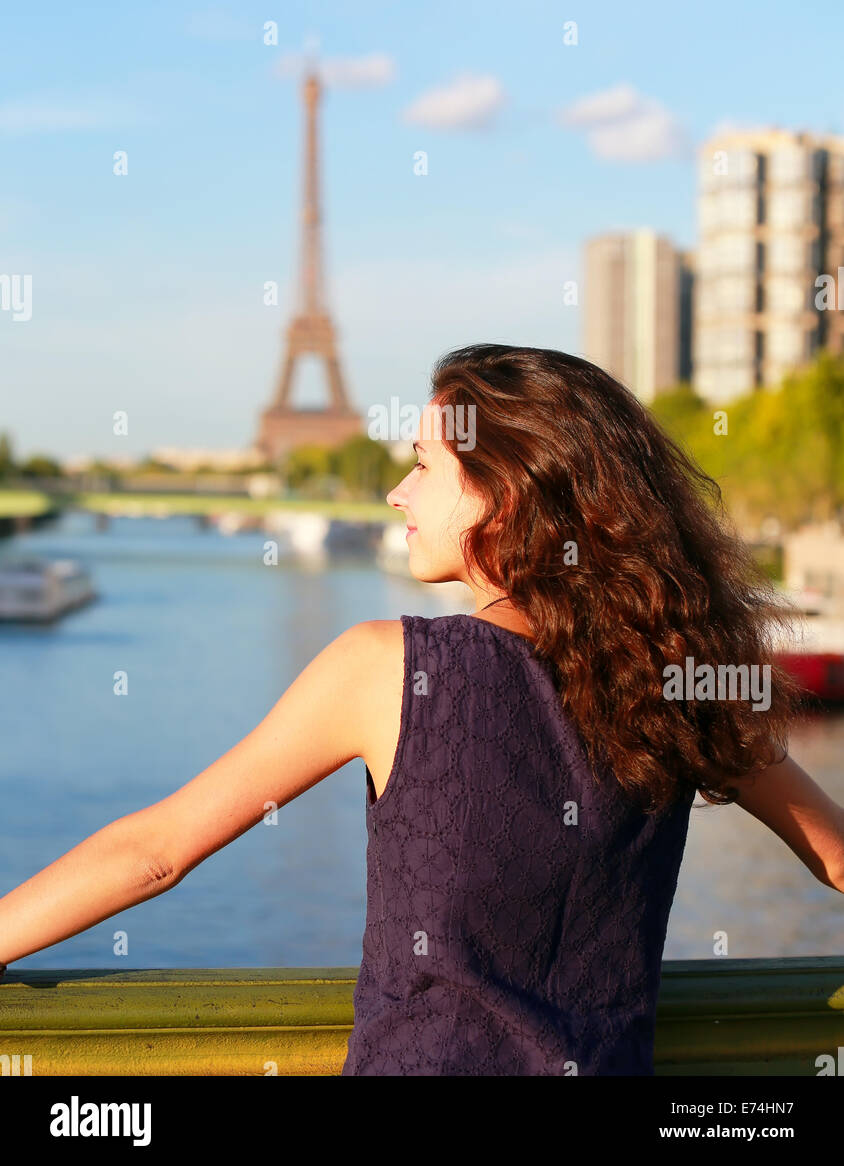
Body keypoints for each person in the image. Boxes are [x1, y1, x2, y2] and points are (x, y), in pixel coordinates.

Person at [1, 344, 843, 1075]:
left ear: (500, 496)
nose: (398, 494)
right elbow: (834, 858)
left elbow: (154, 854)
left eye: (423, 466)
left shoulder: (390, 668)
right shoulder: (670, 679)